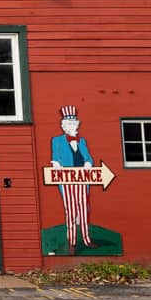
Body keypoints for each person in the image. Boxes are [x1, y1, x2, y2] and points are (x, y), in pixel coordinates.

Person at [50, 105, 96, 251]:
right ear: (63, 125)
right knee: (70, 210)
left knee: (83, 209)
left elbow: (88, 157)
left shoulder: (82, 141)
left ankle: (87, 239)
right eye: (68, 123)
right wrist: (57, 165)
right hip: (67, 180)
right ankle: (72, 242)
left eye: (73, 123)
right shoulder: (57, 141)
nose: (71, 125)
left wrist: (88, 163)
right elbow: (55, 157)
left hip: (82, 179)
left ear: (76, 124)